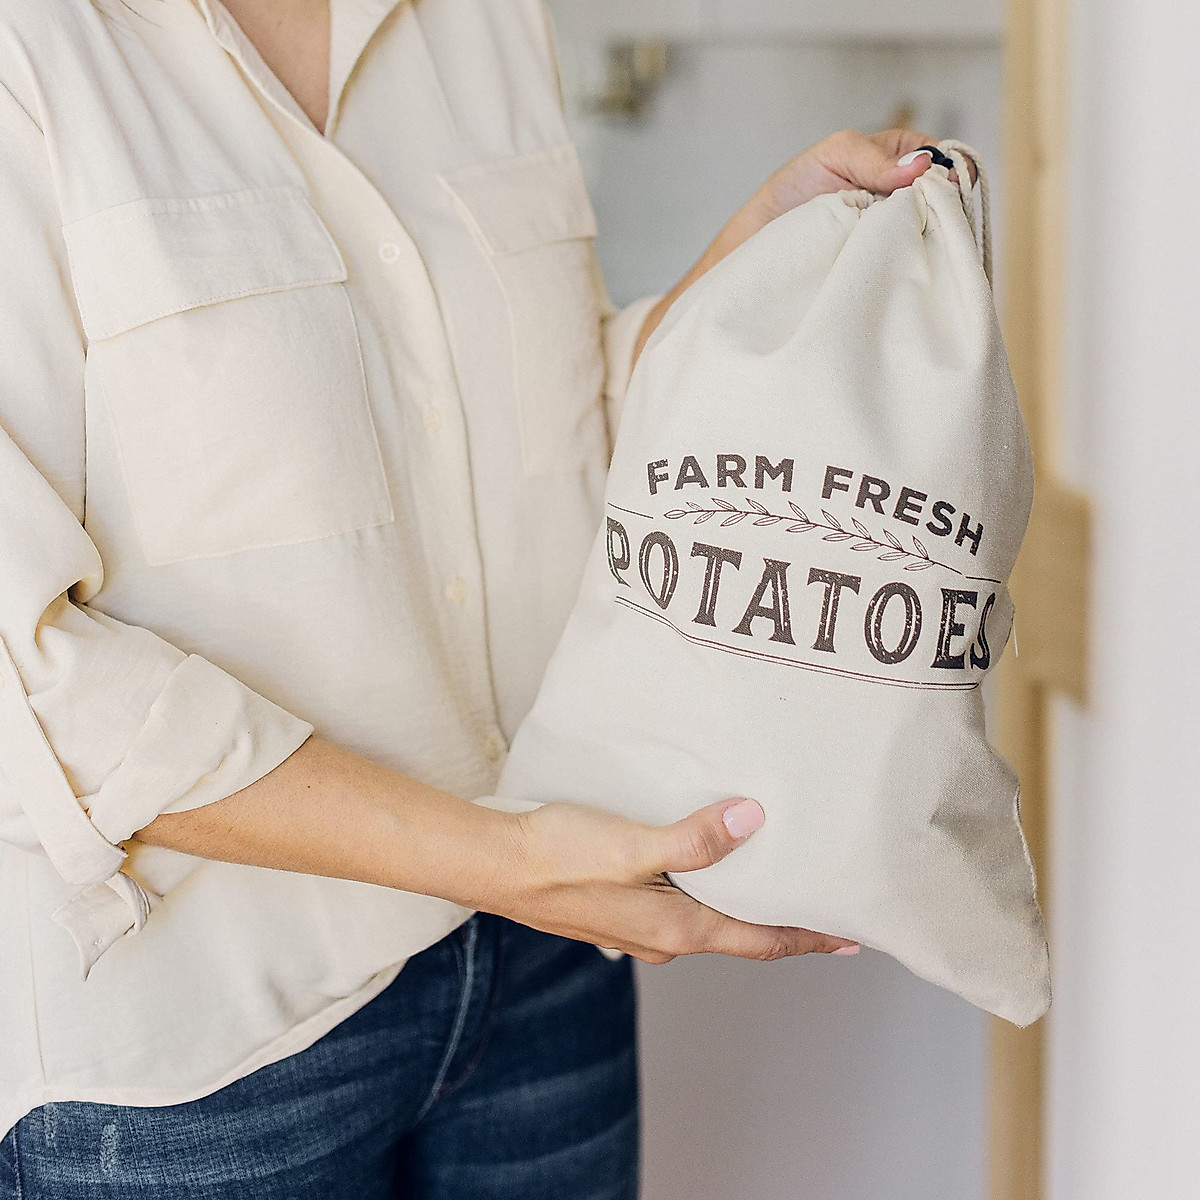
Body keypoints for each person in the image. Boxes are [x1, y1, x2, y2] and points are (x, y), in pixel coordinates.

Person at [0, 0, 950, 1195]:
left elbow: (552, 450)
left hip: (542, 961)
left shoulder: (487, 18)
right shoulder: (32, 50)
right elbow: (30, 680)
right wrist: (501, 859)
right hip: (210, 1048)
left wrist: (756, 261)